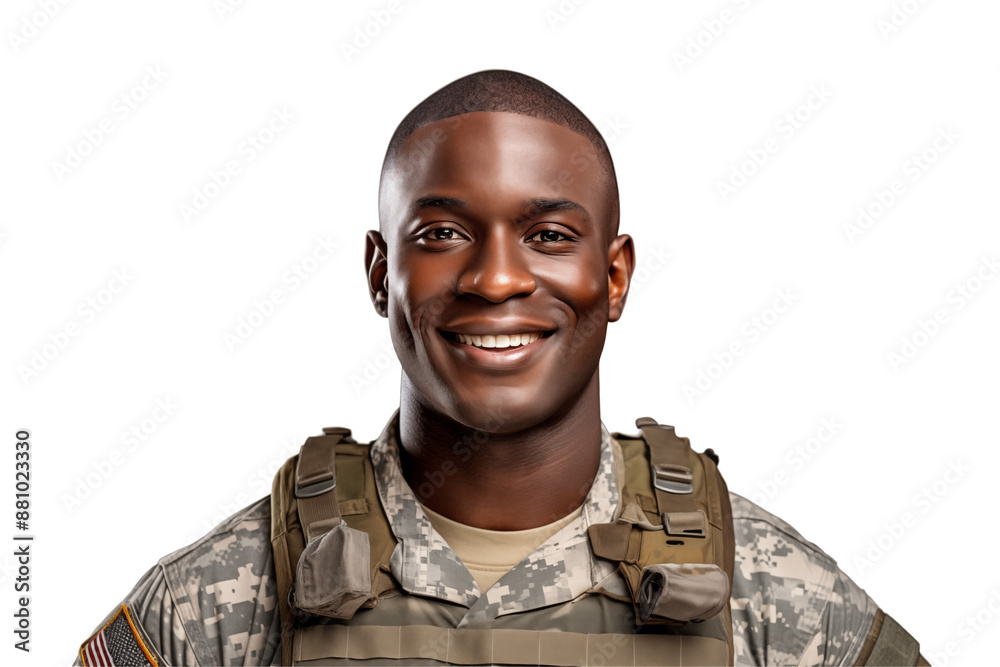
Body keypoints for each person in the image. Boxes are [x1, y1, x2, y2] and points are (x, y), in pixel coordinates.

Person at [76, 70, 926, 666]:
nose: (495, 279)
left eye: (549, 236)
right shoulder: (218, 603)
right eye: (442, 234)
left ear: (616, 274)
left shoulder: (778, 600)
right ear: (381, 274)